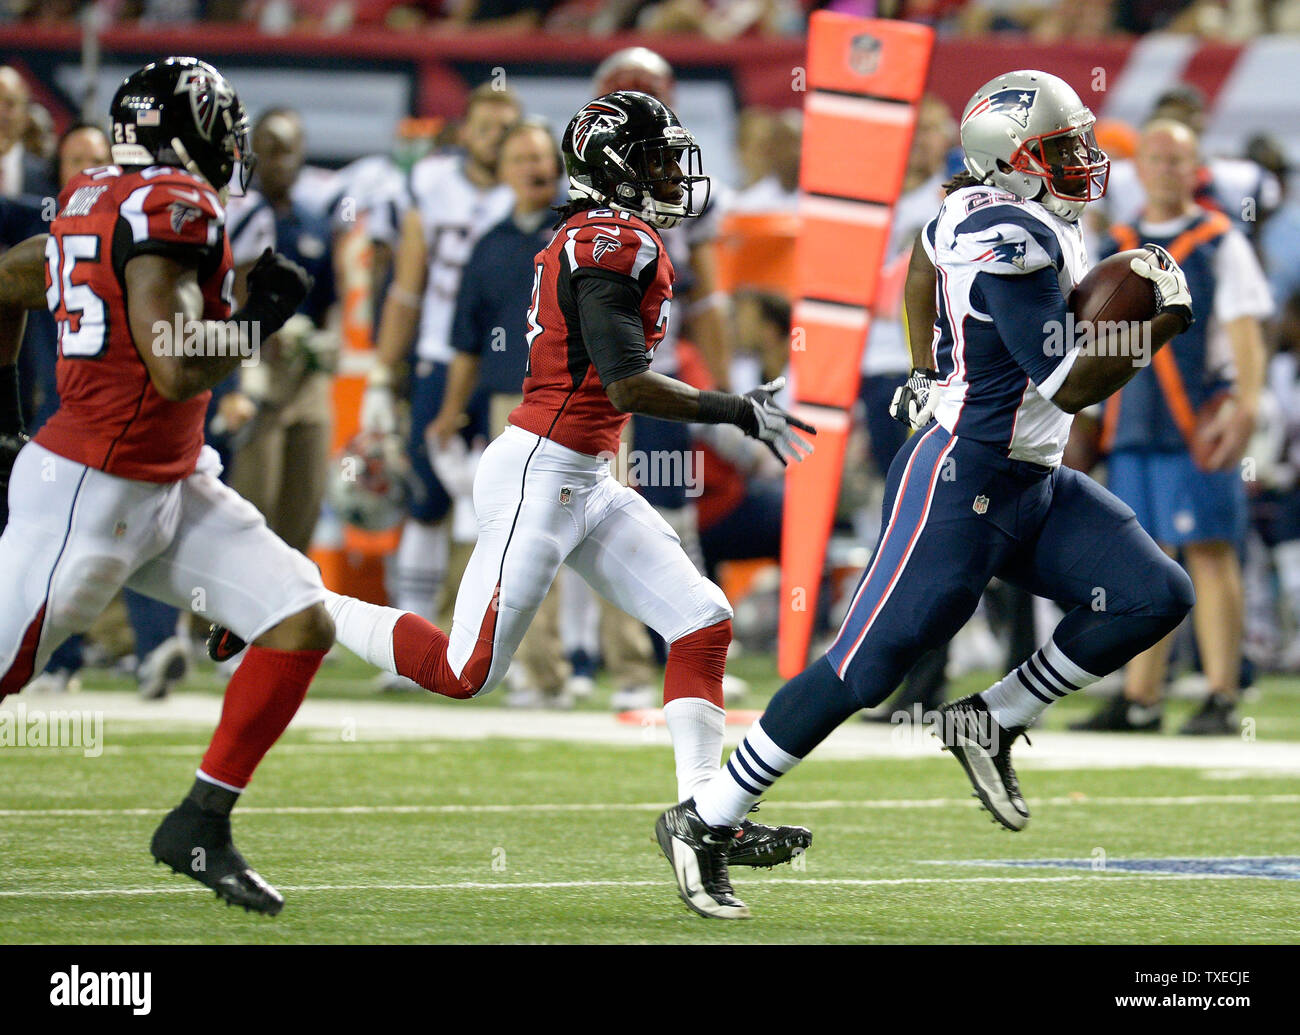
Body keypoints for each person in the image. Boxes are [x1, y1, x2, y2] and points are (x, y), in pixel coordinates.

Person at [654, 69, 1198, 919]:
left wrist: (921, 364)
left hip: (1030, 477)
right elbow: (1065, 381)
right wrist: (1157, 318)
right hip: (962, 475)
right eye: (1063, 149)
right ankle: (707, 815)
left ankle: (991, 716)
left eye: (1081, 141)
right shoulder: (1012, 238)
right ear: (1012, 163)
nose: (1084, 160)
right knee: (864, 667)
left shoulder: (984, 210)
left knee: (1152, 593)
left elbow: (917, 254)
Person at [0, 58, 331, 915]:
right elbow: (180, 366)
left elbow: (10, 277)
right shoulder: (168, 207)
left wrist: (6, 417)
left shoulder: (94, 195)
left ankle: (199, 822)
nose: (230, 143)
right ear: (183, 131)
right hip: (91, 490)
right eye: (221, 123)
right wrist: (260, 314)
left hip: (170, 479)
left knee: (299, 616)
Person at [1071, 118, 1270, 735]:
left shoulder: (1218, 240)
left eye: (1176, 159)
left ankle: (1220, 692)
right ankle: (1140, 696)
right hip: (1132, 419)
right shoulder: (1118, 246)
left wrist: (1248, 405)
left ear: (1196, 169)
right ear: (1140, 168)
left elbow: (1244, 332)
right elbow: (1090, 338)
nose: (1164, 168)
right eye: (1154, 157)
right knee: (1144, 561)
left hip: (1195, 422)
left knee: (1209, 554)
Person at [361, 83, 519, 658]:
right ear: (464, 132)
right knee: (426, 500)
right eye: (485, 126)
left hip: (504, 364)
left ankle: (476, 639)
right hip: (438, 354)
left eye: (506, 128)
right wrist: (383, 372)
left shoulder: (529, 192)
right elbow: (407, 287)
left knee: (500, 509)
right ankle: (412, 639)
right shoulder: (430, 184)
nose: (495, 138)